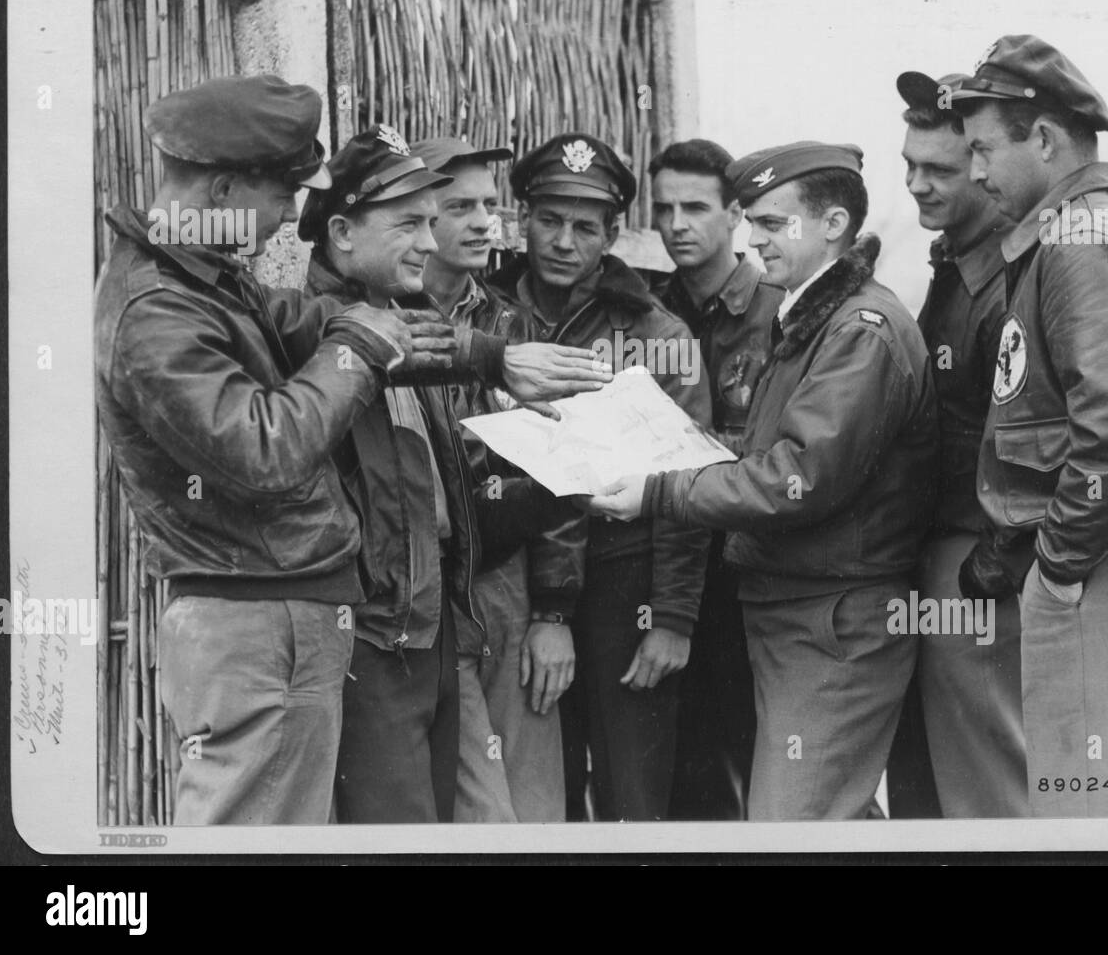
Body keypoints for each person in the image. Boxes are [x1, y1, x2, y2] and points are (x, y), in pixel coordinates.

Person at [94, 76, 612, 825]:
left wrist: (491, 358)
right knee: (249, 834)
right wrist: (359, 351)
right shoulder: (157, 310)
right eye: (282, 196)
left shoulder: (203, 281)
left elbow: (319, 322)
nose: (284, 220)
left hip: (285, 609)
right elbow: (262, 448)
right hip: (255, 618)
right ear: (226, 186)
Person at [587, 142, 937, 821]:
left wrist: (659, 488)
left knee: (792, 826)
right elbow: (767, 447)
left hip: (833, 620)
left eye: (775, 225)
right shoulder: (809, 317)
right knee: (829, 815)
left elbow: (796, 478)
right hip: (800, 612)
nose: (756, 240)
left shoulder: (859, 329)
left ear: (832, 224)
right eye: (755, 223)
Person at [950, 35, 1108, 818]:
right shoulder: (1094, 230)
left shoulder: (1081, 241)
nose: (976, 172)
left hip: (1102, 571)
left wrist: (1055, 568)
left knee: (1103, 835)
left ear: (1045, 139)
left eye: (984, 148)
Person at [490, 132, 713, 821]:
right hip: (512, 579)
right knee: (533, 789)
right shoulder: (489, 320)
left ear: (613, 233)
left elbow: (689, 482)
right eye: (549, 221)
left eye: (585, 227)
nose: (564, 241)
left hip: (624, 585)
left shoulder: (655, 331)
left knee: (631, 794)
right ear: (520, 218)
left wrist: (671, 617)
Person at [412, 135, 582, 823]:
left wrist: (553, 613)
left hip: (507, 585)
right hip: (429, 592)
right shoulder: (390, 322)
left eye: (490, 203)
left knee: (533, 805)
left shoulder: (514, 324)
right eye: (461, 206)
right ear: (418, 218)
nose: (486, 221)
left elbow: (562, 473)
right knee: (465, 809)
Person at [884, 70, 1028, 819]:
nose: (915, 185)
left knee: (987, 793)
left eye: (936, 170)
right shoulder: (952, 269)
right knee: (928, 787)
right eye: (908, 166)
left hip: (977, 568)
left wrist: (987, 571)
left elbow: (1035, 446)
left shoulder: (1007, 284)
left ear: (980, 167)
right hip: (940, 563)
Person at [648, 139, 779, 820]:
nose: (677, 224)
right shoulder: (644, 309)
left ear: (734, 214)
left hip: (755, 573)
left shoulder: (780, 312)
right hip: (672, 569)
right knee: (688, 772)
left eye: (696, 208)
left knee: (775, 768)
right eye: (664, 207)